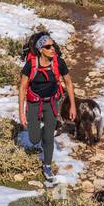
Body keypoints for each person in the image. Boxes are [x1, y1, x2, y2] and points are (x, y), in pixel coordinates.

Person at [18, 32, 75, 186]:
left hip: (52, 103)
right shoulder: (31, 65)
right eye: (48, 46)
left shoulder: (59, 63)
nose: (52, 49)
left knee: (49, 137)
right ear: (40, 49)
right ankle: (42, 136)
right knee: (34, 139)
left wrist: (72, 106)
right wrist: (21, 113)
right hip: (34, 103)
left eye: (53, 45)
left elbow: (69, 83)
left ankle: (47, 166)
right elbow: (22, 88)